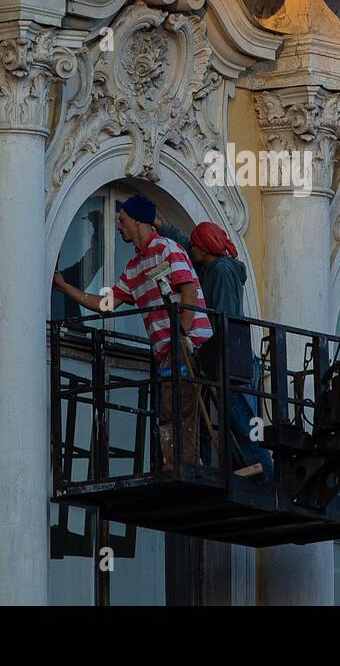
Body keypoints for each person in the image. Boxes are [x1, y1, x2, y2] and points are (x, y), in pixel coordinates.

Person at [52, 194, 212, 469]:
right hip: (168, 352)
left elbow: (188, 291)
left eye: (122, 220)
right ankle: (177, 464)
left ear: (139, 221)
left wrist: (181, 340)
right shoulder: (135, 267)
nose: (118, 226)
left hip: (190, 346)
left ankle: (186, 466)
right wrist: (65, 288)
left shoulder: (167, 249)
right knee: (169, 409)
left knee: (181, 407)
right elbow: (105, 304)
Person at [156, 214, 273, 479]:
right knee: (240, 419)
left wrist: (212, 348)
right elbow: (188, 243)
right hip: (233, 355)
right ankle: (250, 468)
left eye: (196, 246)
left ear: (204, 248)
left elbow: (224, 315)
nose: (191, 250)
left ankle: (265, 474)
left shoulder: (221, 270)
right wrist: (163, 225)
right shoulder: (214, 266)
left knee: (242, 420)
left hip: (231, 356)